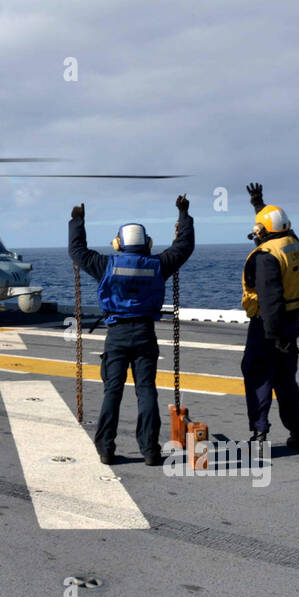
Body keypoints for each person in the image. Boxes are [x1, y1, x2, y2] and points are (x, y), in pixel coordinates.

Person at [69, 196, 194, 465]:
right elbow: (184, 246)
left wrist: (77, 221)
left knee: (112, 391)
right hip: (145, 333)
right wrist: (184, 215)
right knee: (146, 390)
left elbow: (77, 251)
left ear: (118, 243)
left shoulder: (107, 266)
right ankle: (150, 450)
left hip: (117, 334)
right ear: (146, 243)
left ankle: (105, 448)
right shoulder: (159, 265)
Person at [241, 183, 299, 452]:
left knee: (258, 376)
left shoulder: (266, 256)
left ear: (261, 231)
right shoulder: (293, 242)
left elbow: (269, 300)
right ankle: (298, 434)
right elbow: (278, 226)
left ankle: (259, 434)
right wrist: (259, 205)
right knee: (286, 380)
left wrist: (274, 335)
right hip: (292, 322)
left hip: (268, 327)